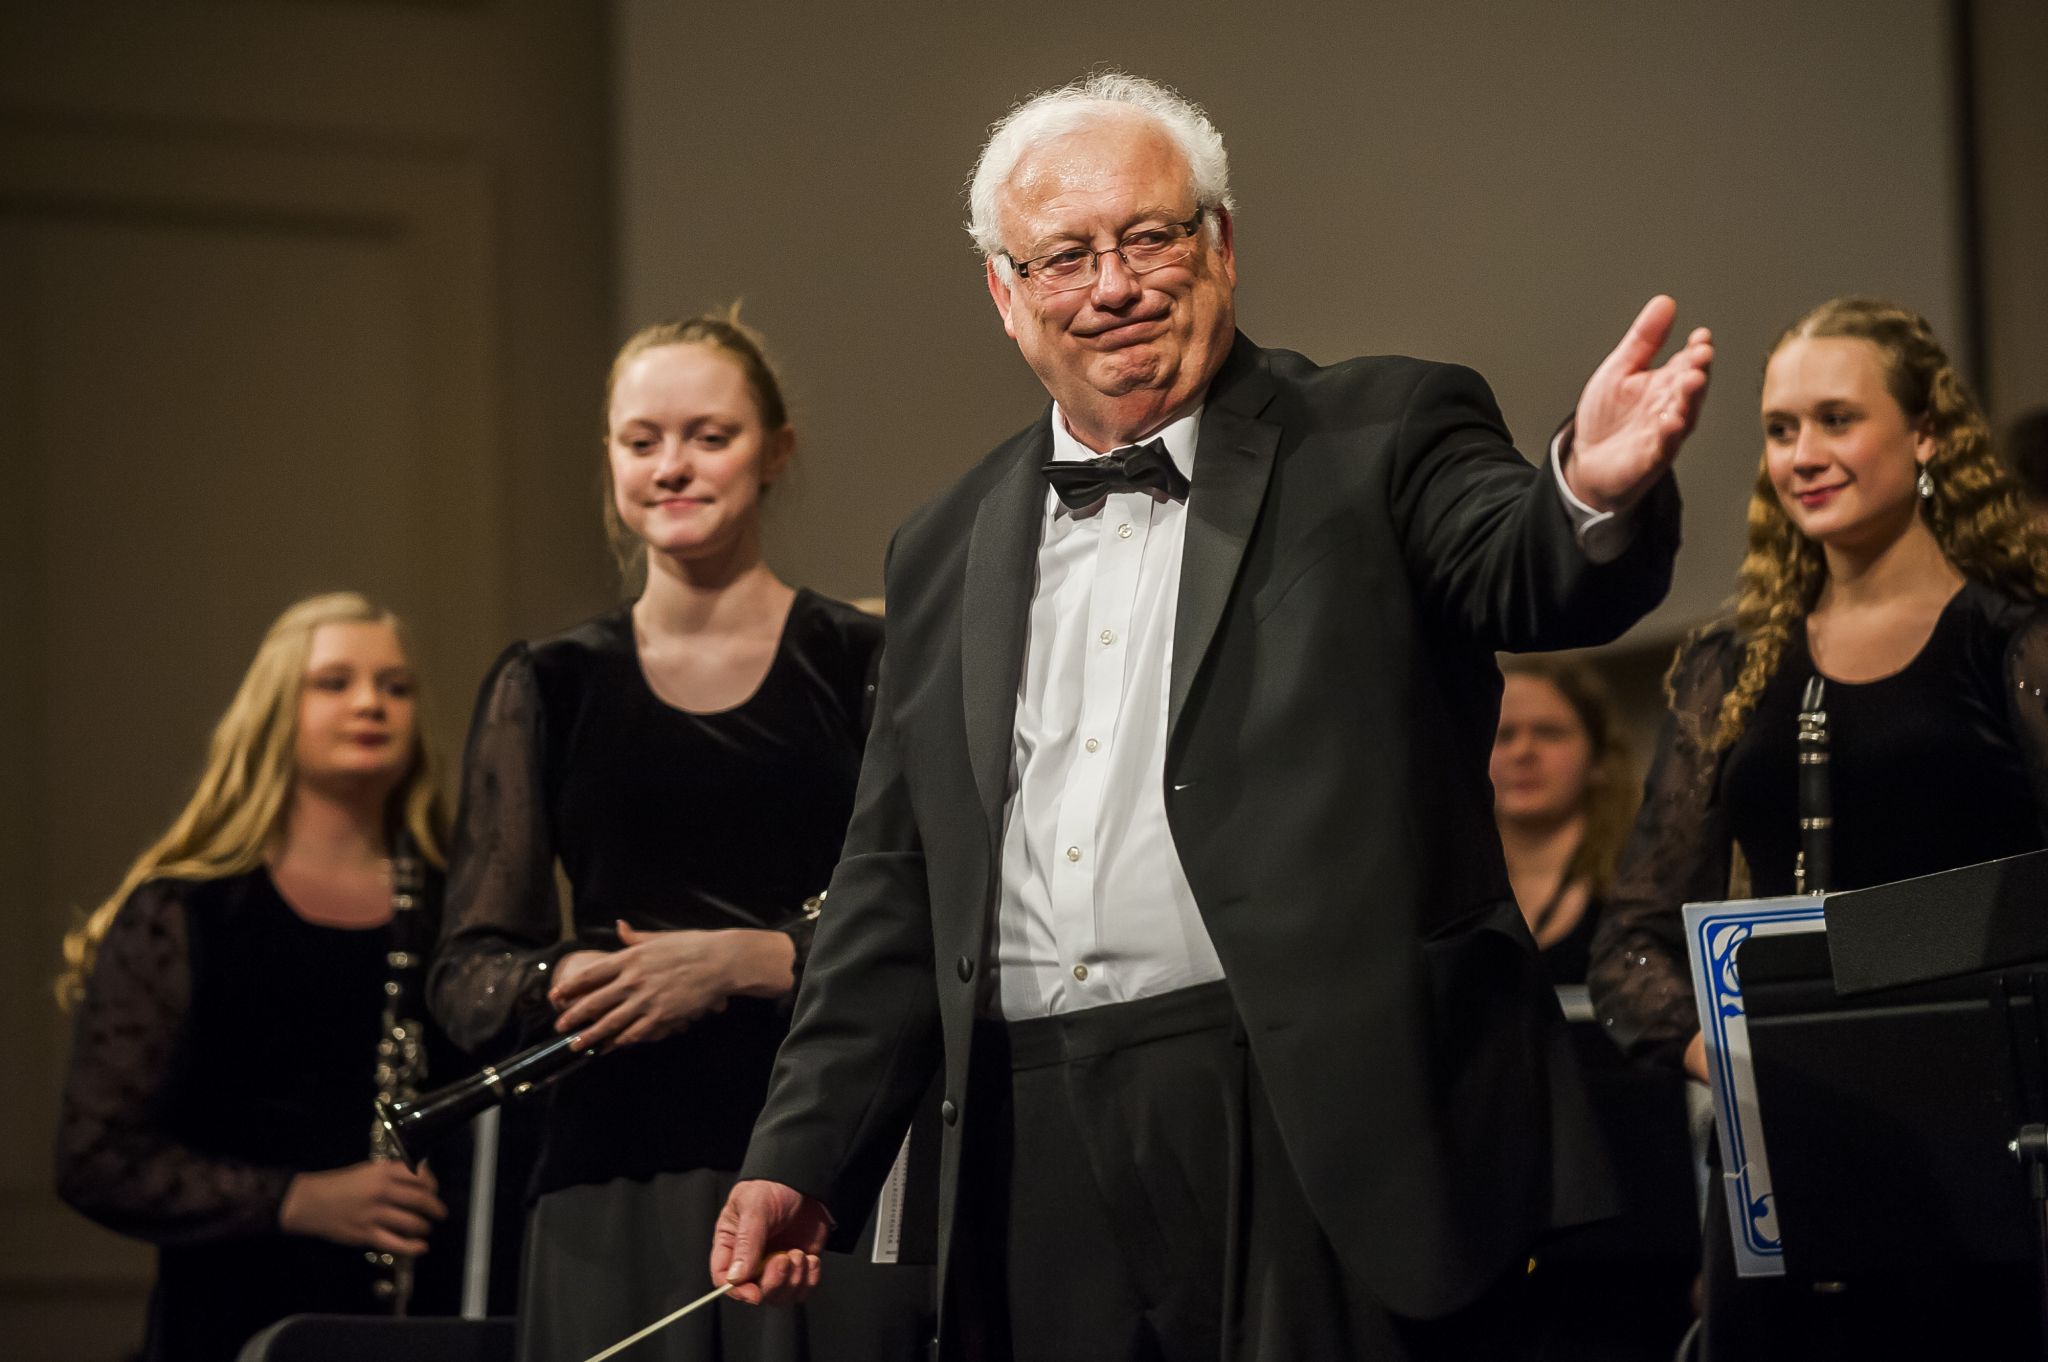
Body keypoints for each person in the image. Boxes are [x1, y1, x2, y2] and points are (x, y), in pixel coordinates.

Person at [712, 71, 1713, 1362]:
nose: (1112, 285)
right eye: (1065, 256)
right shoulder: (941, 543)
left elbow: (1527, 566)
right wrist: (802, 1146)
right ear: (1006, 295)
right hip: (1033, 1136)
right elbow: (896, 875)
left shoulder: (1379, 430)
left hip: (1313, 1113)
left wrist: (1588, 490)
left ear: (1221, 244)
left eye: (1149, 237)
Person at [427, 311, 929, 1362]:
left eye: (710, 436)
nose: (671, 466)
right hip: (613, 1167)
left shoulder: (865, 660)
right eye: (641, 440)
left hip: (824, 1162)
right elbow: (467, 974)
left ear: (775, 452)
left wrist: (748, 960)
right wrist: (567, 977)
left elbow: (929, 916)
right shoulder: (549, 682)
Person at [1587, 296, 2048, 1358]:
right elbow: (1630, 948)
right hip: (1787, 1160)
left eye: (1836, 419)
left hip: (1987, 1158)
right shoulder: (1731, 663)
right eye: (1780, 428)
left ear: (1926, 435)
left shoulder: (2013, 642)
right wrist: (1749, 1062)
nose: (1802, 455)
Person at [55, 592, 459, 1362]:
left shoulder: (456, 910)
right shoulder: (187, 909)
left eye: (396, 686)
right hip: (235, 1317)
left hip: (430, 1320)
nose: (371, 703)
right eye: (333, 682)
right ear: (275, 710)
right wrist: (299, 1200)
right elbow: (95, 1158)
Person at [1491, 659, 1638, 986]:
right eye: (1502, 735)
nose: (1522, 751)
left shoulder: (1642, 887)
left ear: (1599, 758)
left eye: (1548, 733)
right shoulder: (1439, 892)